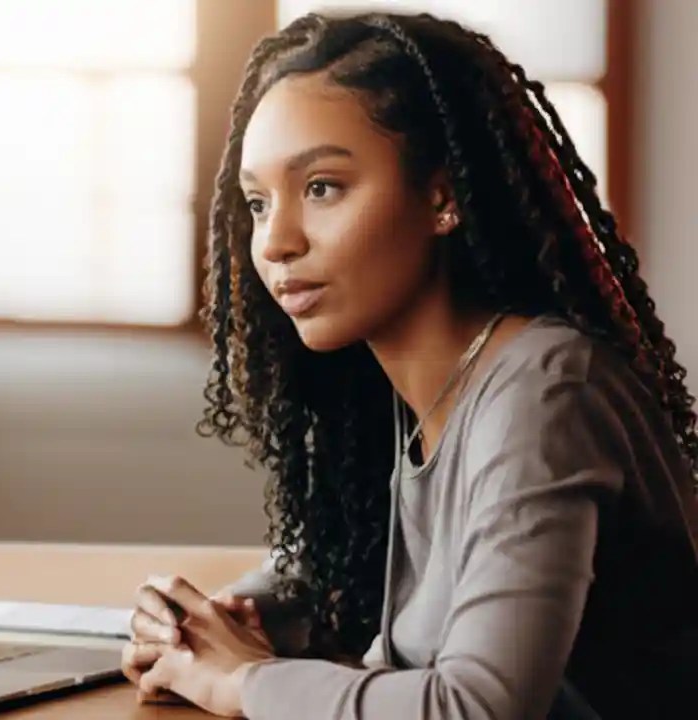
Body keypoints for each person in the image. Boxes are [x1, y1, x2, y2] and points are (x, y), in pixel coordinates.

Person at [119, 11, 698, 720]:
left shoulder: (546, 389)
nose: (274, 242)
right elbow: (334, 564)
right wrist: (203, 627)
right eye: (259, 202)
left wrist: (243, 681)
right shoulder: (400, 392)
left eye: (322, 187)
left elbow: (475, 707)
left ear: (442, 196)